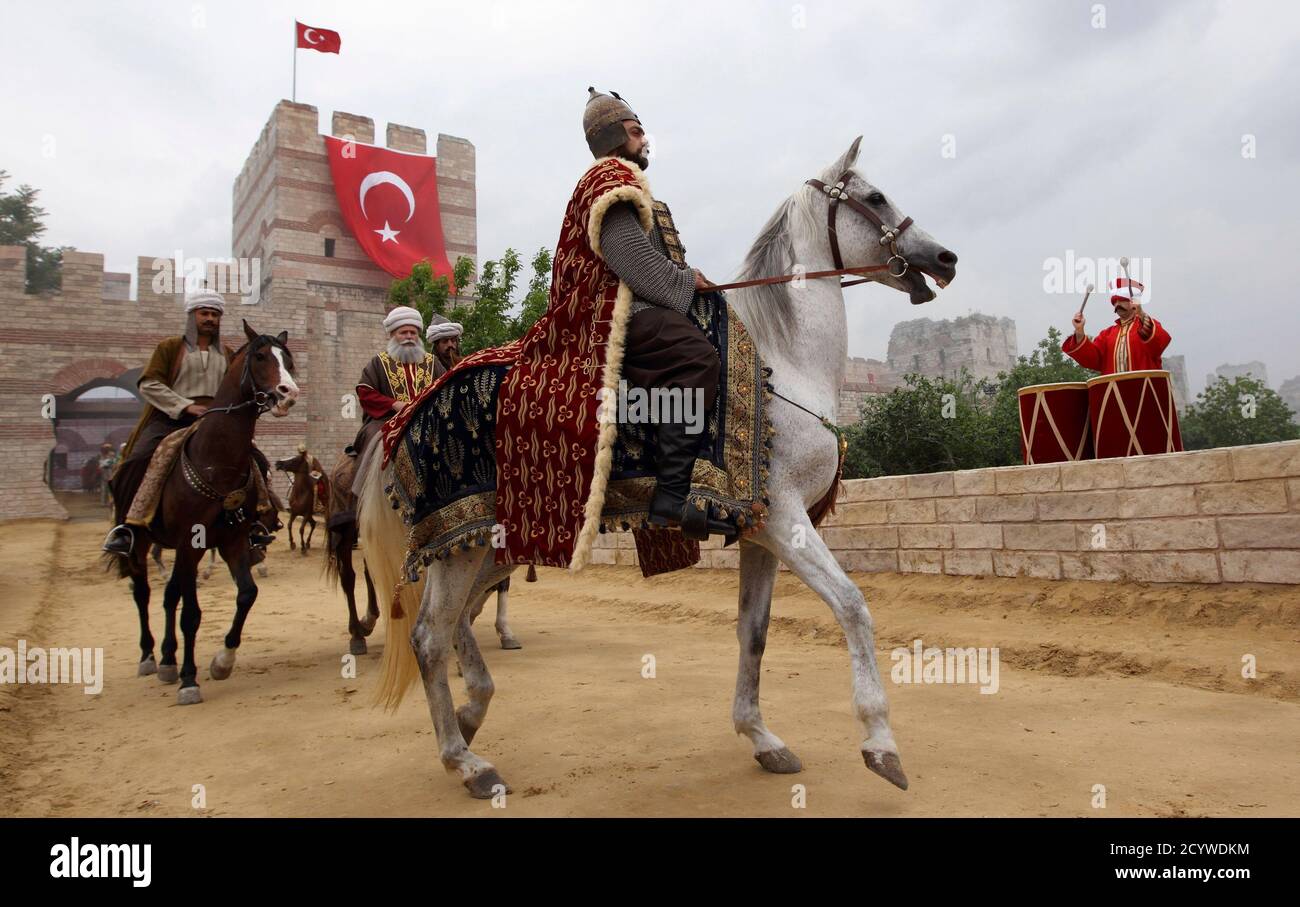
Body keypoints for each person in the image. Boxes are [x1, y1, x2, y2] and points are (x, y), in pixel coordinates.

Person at [583, 88, 729, 537]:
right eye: (634, 130)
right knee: (695, 357)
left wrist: (694, 281)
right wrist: (687, 281)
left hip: (655, 302)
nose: (644, 137)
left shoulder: (634, 187)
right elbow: (636, 266)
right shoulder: (609, 185)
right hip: (626, 314)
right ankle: (672, 493)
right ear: (613, 137)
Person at [103, 291, 274, 554]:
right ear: (192, 315)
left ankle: (252, 524)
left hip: (216, 424)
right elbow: (149, 384)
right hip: (172, 419)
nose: (209, 319)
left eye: (215, 315)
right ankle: (128, 528)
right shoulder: (170, 348)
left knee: (257, 462)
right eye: (204, 313)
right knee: (137, 460)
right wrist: (185, 406)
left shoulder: (228, 354)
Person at [348, 306, 441, 457]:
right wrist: (394, 404)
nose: (409, 336)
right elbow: (365, 393)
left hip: (428, 420)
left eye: (413, 333)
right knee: (374, 441)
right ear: (392, 334)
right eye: (403, 332)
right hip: (386, 420)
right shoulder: (379, 362)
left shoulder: (432, 362)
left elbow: (447, 390)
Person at [1063, 277, 1170, 374]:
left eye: (1122, 300)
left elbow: (1159, 343)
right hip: (1114, 394)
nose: (1117, 304)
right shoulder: (1106, 335)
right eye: (1114, 301)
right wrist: (1079, 331)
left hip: (1145, 392)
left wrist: (1141, 313)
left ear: (1134, 302)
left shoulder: (1147, 326)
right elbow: (1092, 360)